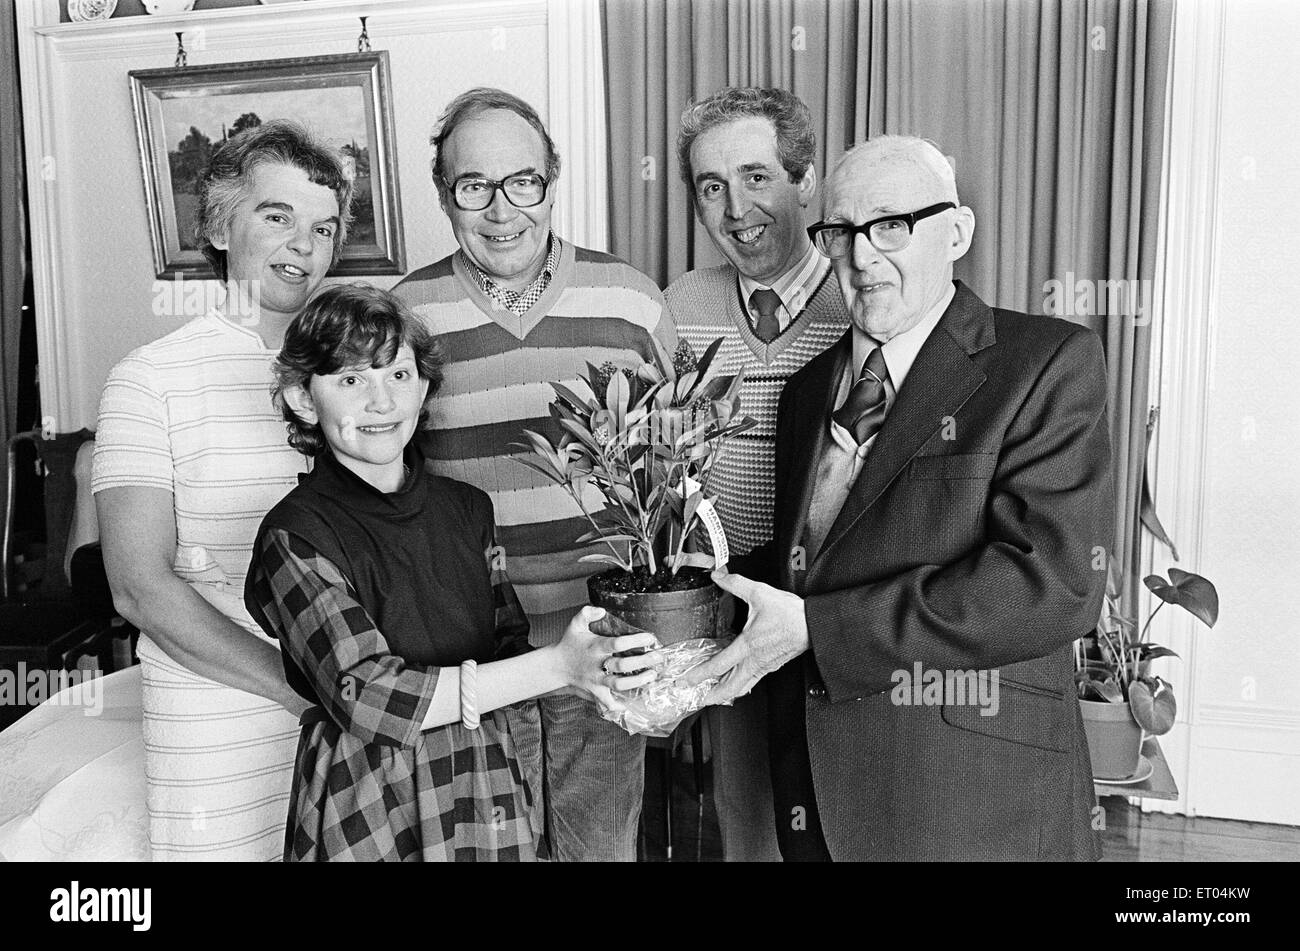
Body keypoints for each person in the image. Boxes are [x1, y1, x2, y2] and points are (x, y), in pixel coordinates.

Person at [686, 135, 1114, 861]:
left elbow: (1053, 585)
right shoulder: (807, 391)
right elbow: (820, 562)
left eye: (891, 225)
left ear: (957, 232)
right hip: (815, 788)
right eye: (841, 231)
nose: (861, 255)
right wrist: (685, 600)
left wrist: (819, 629)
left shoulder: (1047, 362)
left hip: (970, 799)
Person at [243, 284, 659, 861]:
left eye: (399, 375)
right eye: (350, 380)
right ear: (303, 400)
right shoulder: (294, 534)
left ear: (424, 388)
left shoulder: (468, 509)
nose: (381, 402)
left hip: (483, 774)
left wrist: (600, 670)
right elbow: (369, 696)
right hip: (369, 788)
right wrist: (560, 662)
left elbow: (506, 645)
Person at [393, 88, 678, 861]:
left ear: (552, 181)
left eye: (523, 181)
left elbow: (680, 479)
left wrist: (672, 653)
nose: (501, 210)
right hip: (473, 666)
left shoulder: (630, 299)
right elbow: (383, 492)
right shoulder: (404, 318)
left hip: (604, 652)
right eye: (472, 186)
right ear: (443, 196)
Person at [93, 120, 352, 861]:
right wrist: (303, 687)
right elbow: (139, 588)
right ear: (217, 224)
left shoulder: (359, 373)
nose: (305, 246)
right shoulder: (150, 378)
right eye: (279, 217)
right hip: (216, 725)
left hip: (353, 713)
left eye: (324, 227)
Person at [664, 87, 849, 862]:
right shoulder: (679, 304)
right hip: (732, 606)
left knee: (851, 816)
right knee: (750, 827)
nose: (736, 208)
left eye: (756, 176)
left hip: (846, 609)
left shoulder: (864, 294)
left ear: (805, 180)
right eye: (712, 186)